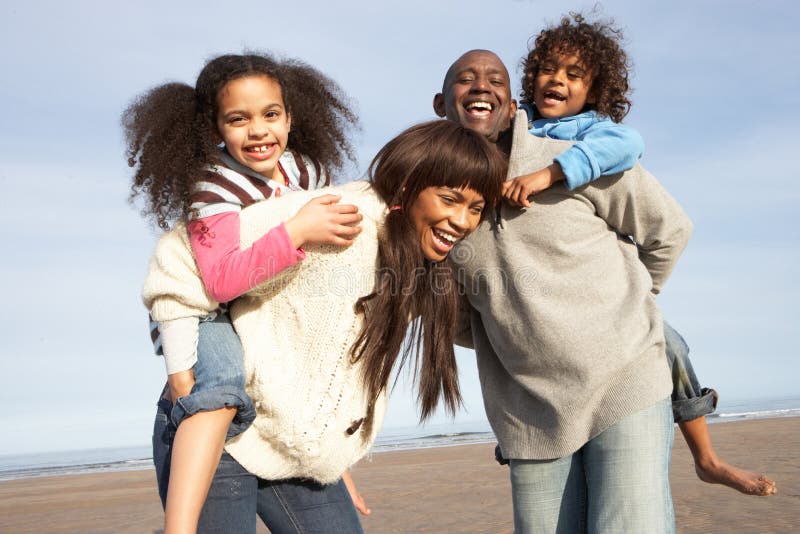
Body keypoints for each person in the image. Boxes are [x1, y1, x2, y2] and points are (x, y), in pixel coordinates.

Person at [143, 119, 506, 533]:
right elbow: (180, 254)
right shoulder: (341, 216)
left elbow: (332, 362)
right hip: (224, 437)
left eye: (475, 208)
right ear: (408, 185)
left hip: (291, 451)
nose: (461, 220)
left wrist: (331, 455)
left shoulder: (417, 264)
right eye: (449, 199)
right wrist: (179, 372)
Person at [501, 13, 775, 498]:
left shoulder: (591, 130)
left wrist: (551, 175)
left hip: (609, 304)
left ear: (595, 88)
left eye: (573, 74)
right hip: (543, 311)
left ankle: (707, 459)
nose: (556, 80)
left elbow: (630, 145)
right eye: (547, 69)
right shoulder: (518, 124)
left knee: (669, 345)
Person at [437, 46, 689, 531]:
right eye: (465, 79)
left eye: (495, 80)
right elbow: (456, 317)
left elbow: (669, 231)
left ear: (514, 107)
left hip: (625, 382)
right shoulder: (440, 201)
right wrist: (511, 332)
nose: (481, 87)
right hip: (528, 412)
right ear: (440, 103)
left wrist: (631, 306)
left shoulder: (575, 161)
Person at [124, 53, 366, 533]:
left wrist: (335, 460)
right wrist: (297, 229)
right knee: (219, 387)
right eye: (238, 119)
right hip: (203, 315)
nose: (258, 131)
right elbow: (221, 281)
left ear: (290, 118)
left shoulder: (306, 173)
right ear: (214, 126)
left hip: (264, 327)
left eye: (270, 115)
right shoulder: (212, 187)